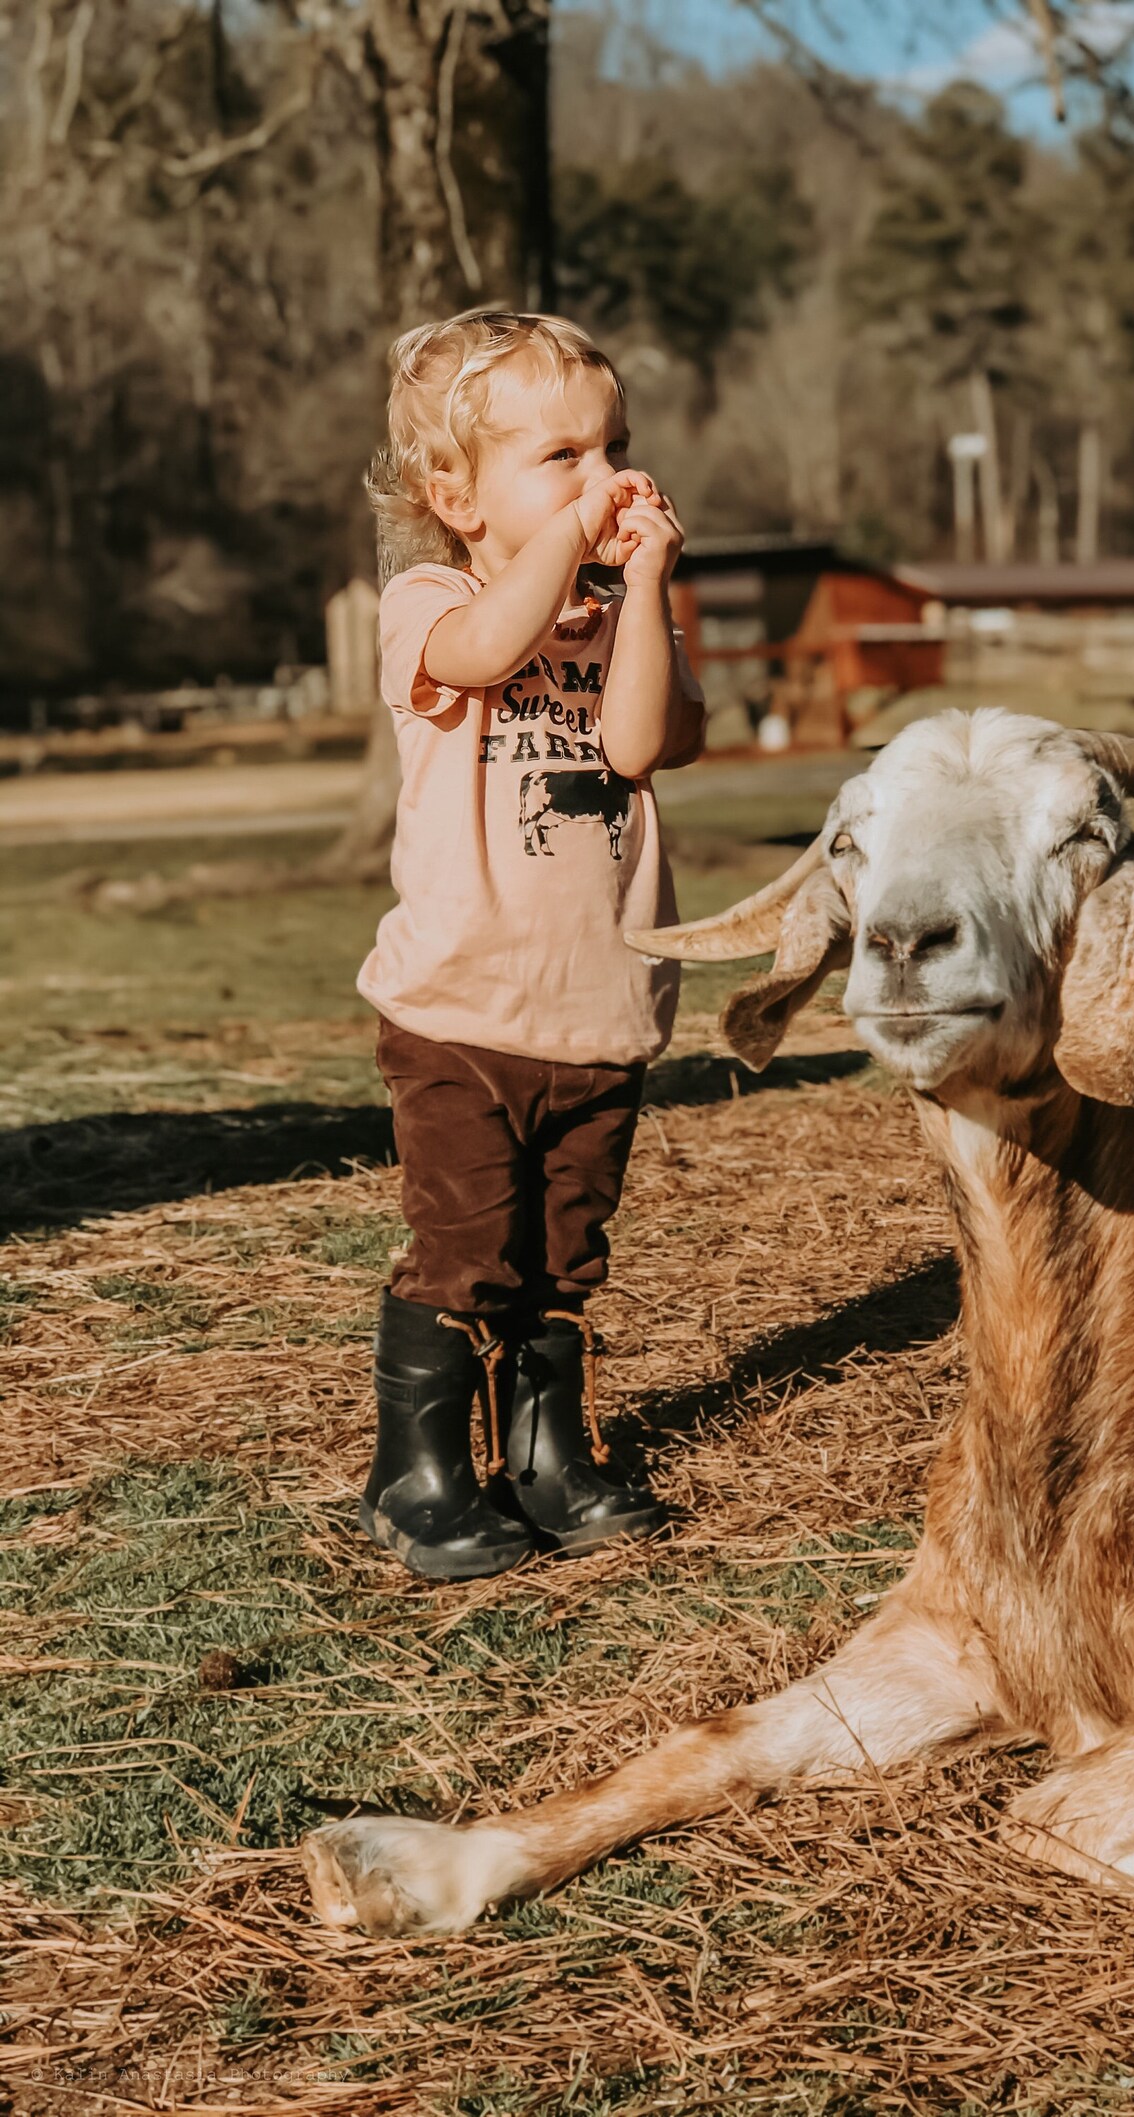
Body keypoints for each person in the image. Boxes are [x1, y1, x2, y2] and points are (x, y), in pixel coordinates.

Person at [356, 309, 704, 1581]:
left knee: (564, 1256)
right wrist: (569, 538)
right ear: (456, 496)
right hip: (460, 1011)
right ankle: (418, 1473)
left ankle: (547, 1455)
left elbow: (637, 748)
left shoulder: (625, 611)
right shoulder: (428, 599)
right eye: (558, 456)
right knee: (467, 1248)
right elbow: (491, 649)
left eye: (609, 444)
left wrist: (648, 581)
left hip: (602, 1009)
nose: (601, 473)